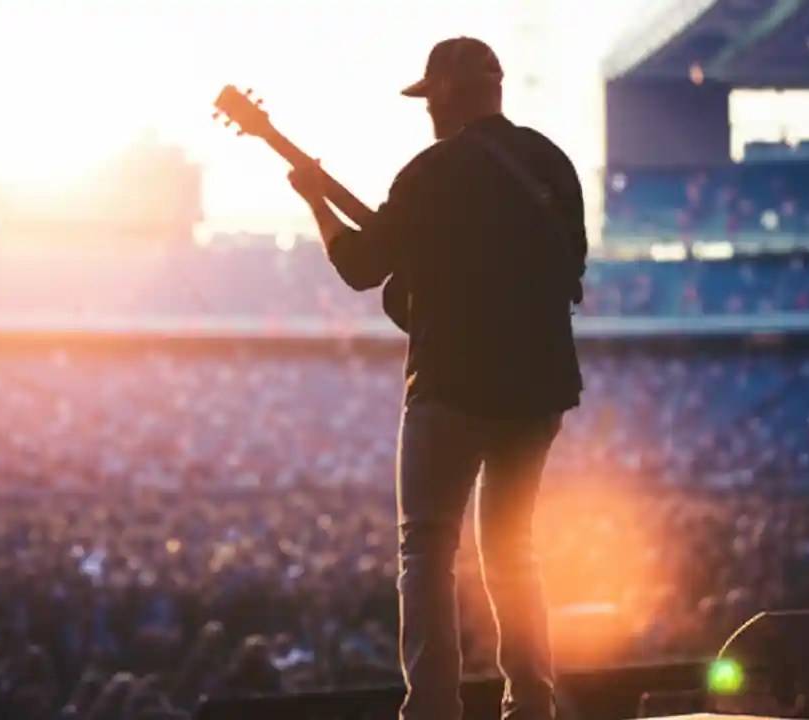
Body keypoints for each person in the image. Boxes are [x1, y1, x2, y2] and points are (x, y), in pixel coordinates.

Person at [288, 36, 586, 720]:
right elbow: (569, 268)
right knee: (514, 551)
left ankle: (431, 711)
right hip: (540, 387)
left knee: (426, 548)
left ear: (447, 93)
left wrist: (314, 198)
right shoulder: (552, 164)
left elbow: (363, 266)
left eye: (429, 99)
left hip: (451, 385)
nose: (426, 113)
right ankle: (530, 706)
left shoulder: (431, 172)